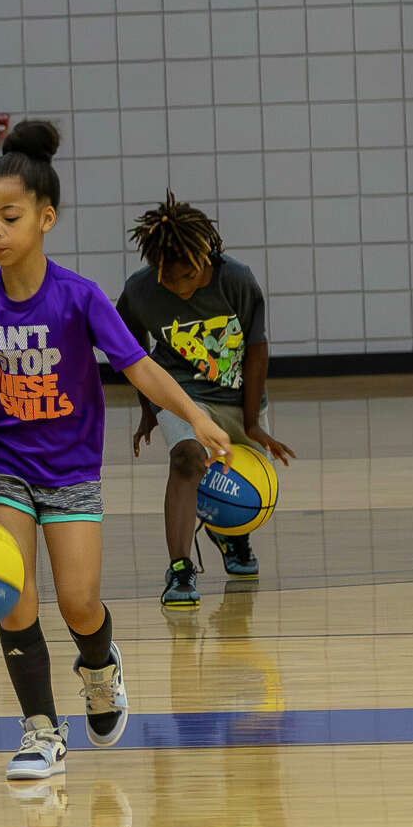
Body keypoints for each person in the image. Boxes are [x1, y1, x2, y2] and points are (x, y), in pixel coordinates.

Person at [0, 121, 232, 780]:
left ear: (45, 218)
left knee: (78, 602)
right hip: (2, 464)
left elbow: (140, 368)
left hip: (68, 468)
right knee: (16, 596)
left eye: (9, 217)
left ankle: (99, 665)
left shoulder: (79, 297)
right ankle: (40, 729)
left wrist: (195, 413)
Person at [116, 192, 295, 607]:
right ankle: (180, 569)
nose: (180, 287)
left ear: (207, 257)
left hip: (236, 392)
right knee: (188, 459)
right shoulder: (139, 292)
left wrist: (251, 423)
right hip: (180, 392)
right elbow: (131, 354)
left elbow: (256, 348)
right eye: (169, 278)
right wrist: (148, 410)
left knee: (239, 475)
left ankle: (230, 534)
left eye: (189, 276)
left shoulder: (237, 279)